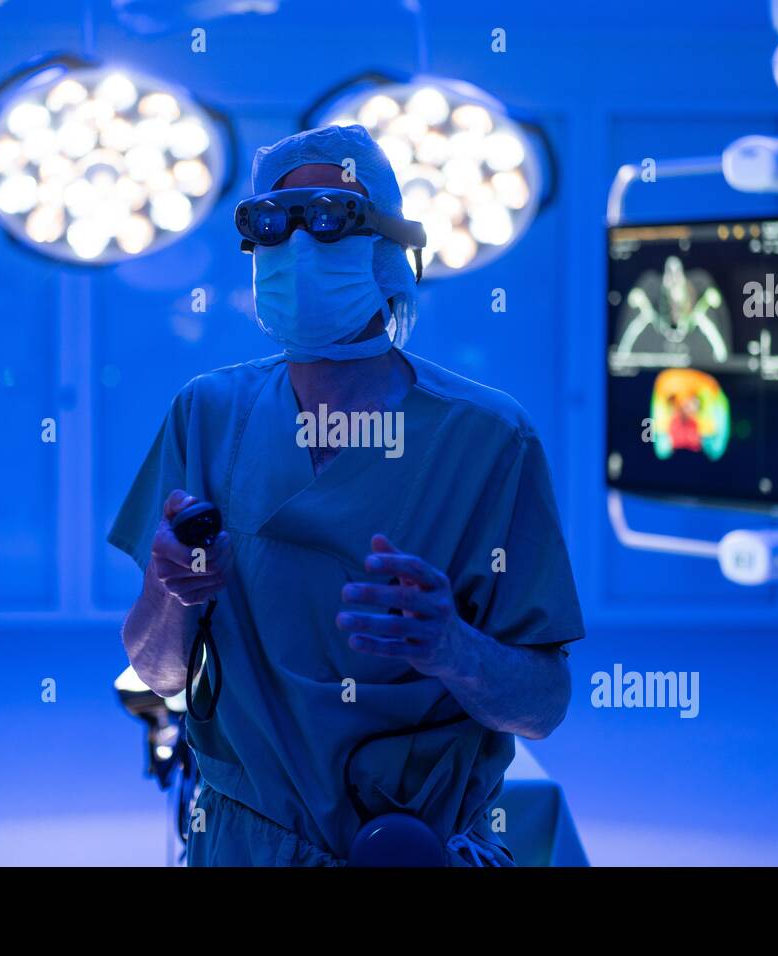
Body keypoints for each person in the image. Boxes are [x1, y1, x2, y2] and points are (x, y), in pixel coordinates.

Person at [108, 124, 585, 866]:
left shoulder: (489, 440)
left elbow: (543, 707)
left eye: (333, 219)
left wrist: (448, 645)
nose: (299, 248)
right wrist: (176, 594)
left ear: (390, 250)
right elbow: (161, 670)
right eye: (273, 224)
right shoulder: (206, 415)